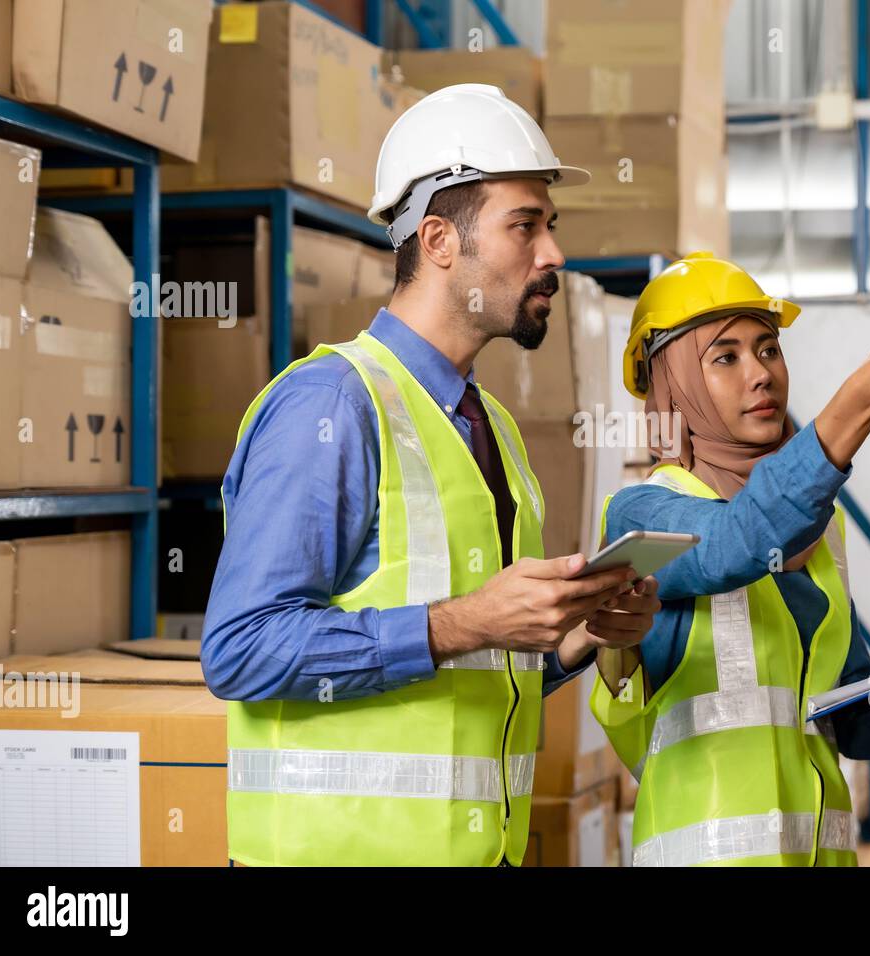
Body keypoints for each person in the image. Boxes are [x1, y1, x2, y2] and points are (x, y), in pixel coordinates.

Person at [202, 85, 661, 867]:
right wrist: (466, 621)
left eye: (551, 226)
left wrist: (573, 636)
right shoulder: (332, 405)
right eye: (526, 226)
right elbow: (241, 650)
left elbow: (472, 677)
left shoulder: (493, 428)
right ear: (441, 240)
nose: (553, 254)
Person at [590, 252, 870, 867]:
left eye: (768, 349)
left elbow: (841, 717)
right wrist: (868, 390)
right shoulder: (644, 514)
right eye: (724, 358)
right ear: (671, 382)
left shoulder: (820, 526)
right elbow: (736, 542)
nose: (760, 374)